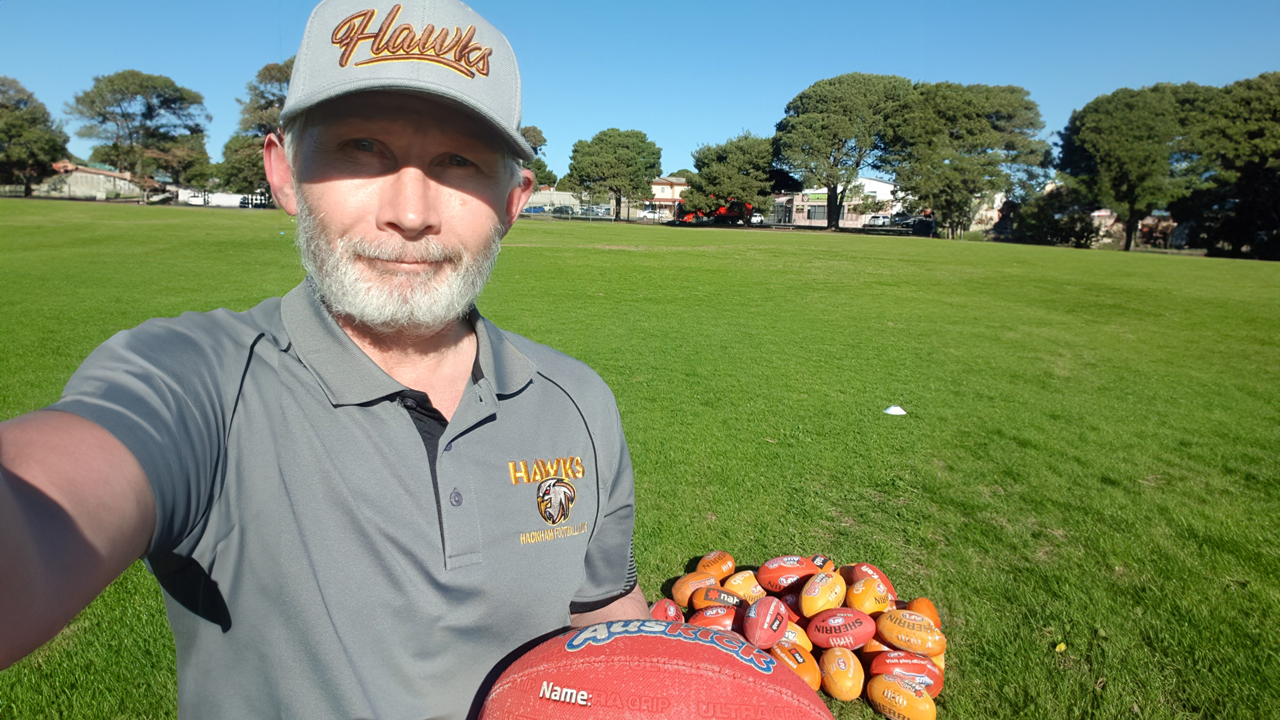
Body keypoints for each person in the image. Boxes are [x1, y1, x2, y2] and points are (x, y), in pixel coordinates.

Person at [0, 0, 647, 717]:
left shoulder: (577, 404)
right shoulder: (198, 379)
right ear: (282, 172)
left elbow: (606, 624)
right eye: (360, 147)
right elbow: (43, 503)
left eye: (458, 161)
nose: (409, 212)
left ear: (512, 199)